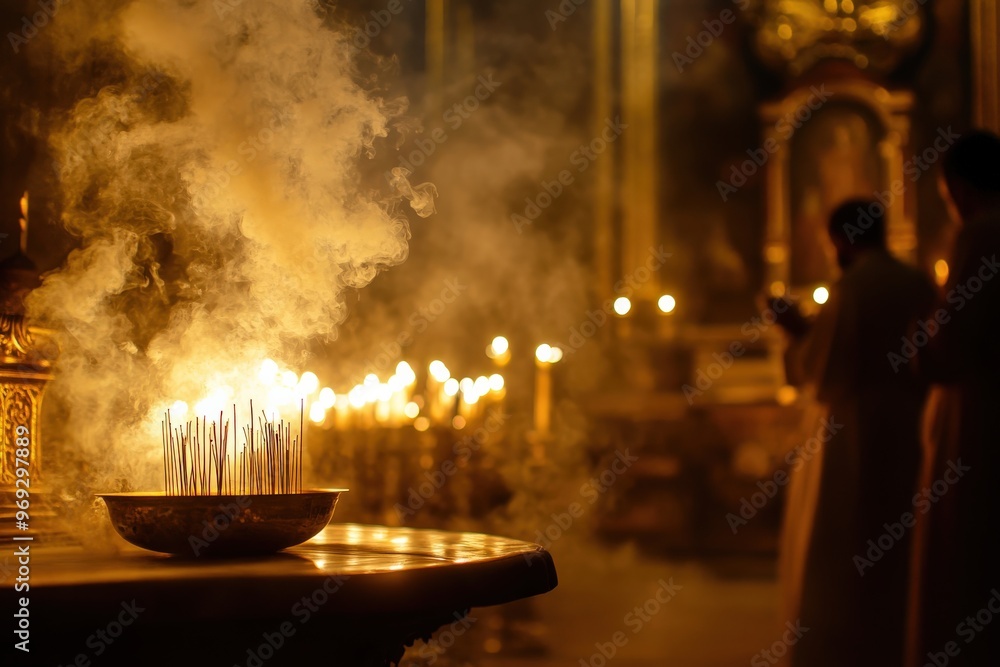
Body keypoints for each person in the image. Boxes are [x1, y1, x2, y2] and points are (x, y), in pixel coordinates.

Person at [773, 199, 936, 667]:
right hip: (909, 424)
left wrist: (794, 331)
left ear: (842, 239)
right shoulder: (916, 281)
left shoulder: (853, 289)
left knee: (847, 542)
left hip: (852, 434)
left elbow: (823, 373)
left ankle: (845, 650)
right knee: (898, 545)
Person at [907, 130, 1000, 666]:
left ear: (958, 187)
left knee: (964, 558)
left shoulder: (980, 236)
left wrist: (920, 332)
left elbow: (947, 352)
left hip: (977, 421)